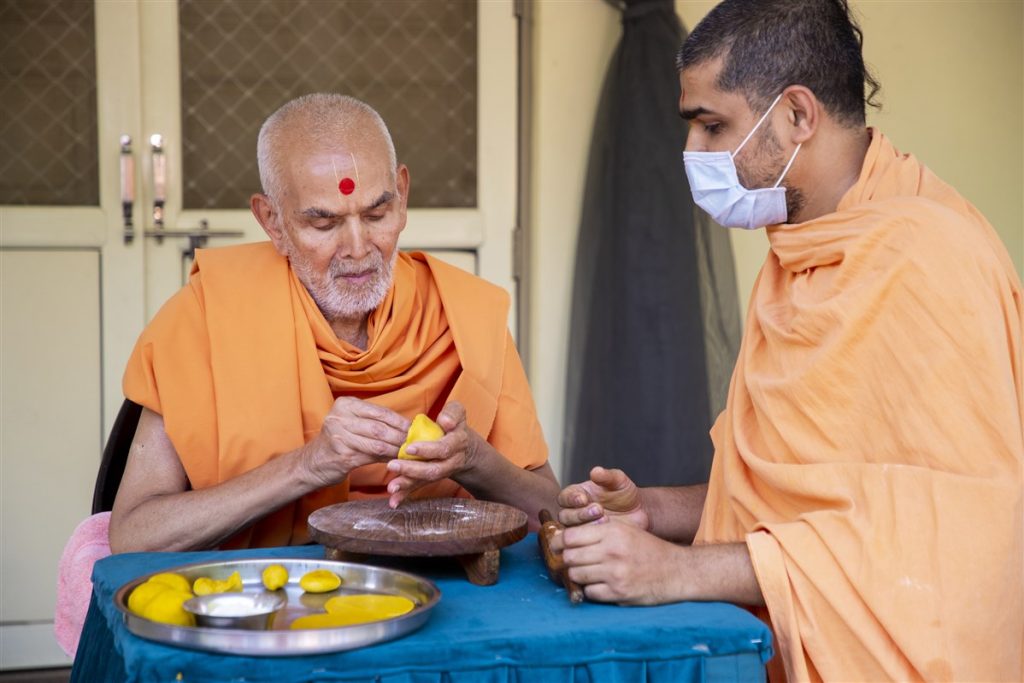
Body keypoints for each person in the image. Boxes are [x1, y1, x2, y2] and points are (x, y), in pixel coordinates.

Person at [552, 1, 1023, 681]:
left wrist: (679, 573)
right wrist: (656, 509)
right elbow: (784, 491)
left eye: (714, 127)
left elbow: (934, 546)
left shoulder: (931, 262)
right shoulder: (800, 251)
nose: (694, 156)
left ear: (798, 115)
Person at [108, 93, 559, 553]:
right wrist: (308, 466)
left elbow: (554, 513)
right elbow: (135, 535)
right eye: (324, 225)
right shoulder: (205, 319)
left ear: (402, 197)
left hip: (446, 592)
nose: (359, 247)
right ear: (273, 222)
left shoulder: (465, 315)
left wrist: (473, 460)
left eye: (377, 214)